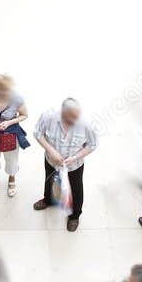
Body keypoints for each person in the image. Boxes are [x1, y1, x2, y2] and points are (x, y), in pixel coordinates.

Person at [34, 99, 97, 231]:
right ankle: (48, 200)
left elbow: (92, 145)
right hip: (51, 160)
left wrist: (75, 157)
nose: (76, 120)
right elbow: (37, 133)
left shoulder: (86, 124)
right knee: (50, 181)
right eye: (72, 117)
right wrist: (51, 151)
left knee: (76, 188)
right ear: (63, 113)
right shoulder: (48, 117)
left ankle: (75, 215)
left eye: (77, 116)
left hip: (75, 165)